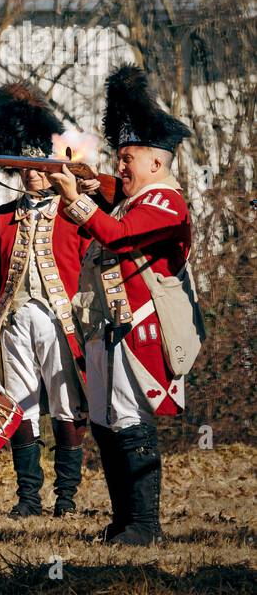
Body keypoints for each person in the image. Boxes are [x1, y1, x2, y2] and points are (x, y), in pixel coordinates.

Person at [47, 66, 198, 546]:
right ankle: (123, 521)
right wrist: (89, 190)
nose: (121, 167)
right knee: (106, 422)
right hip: (110, 323)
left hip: (143, 330)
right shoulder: (129, 199)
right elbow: (113, 217)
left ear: (157, 163)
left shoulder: (167, 203)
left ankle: (145, 526)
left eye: (128, 158)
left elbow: (118, 235)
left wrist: (79, 201)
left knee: (132, 421)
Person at [0, 82, 97, 519]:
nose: (32, 172)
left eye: (39, 164)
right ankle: (28, 496)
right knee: (21, 406)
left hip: (60, 321)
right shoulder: (2, 218)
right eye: (24, 165)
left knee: (68, 406)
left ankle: (66, 497)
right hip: (13, 320)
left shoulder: (77, 211)